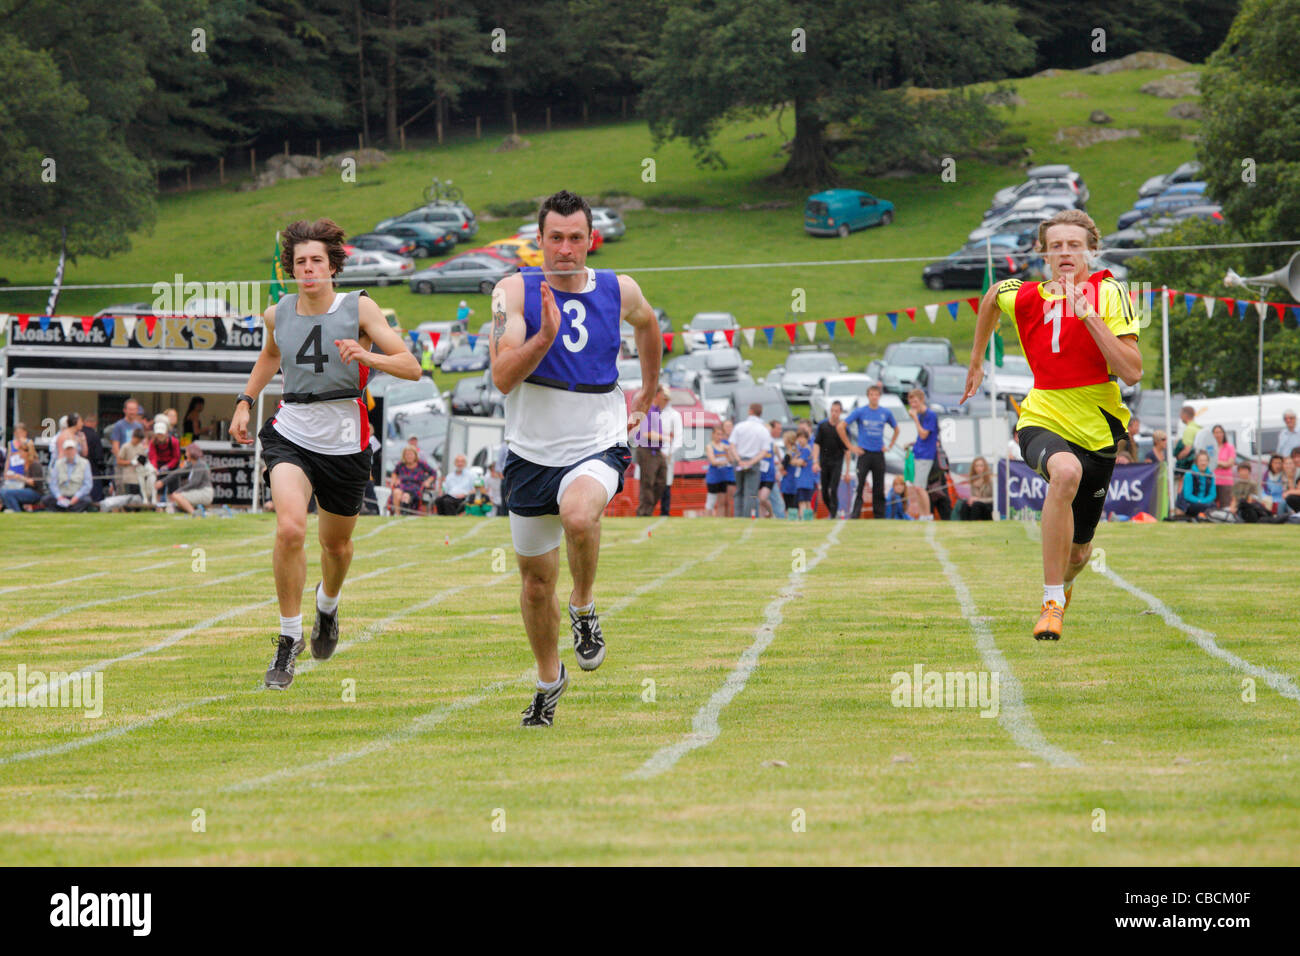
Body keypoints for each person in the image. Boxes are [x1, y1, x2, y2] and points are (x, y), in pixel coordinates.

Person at [490, 189, 658, 727]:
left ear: (591, 240)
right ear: (538, 241)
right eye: (555, 238)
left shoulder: (619, 288)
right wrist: (543, 337)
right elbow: (501, 377)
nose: (566, 249)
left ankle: (583, 607)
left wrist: (648, 392)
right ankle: (547, 679)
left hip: (597, 439)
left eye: (576, 238)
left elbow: (649, 325)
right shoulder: (512, 292)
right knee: (536, 585)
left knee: (580, 515)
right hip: (530, 454)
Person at [230, 216, 421, 689]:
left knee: (335, 545)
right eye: (300, 262)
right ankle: (288, 638)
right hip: (291, 428)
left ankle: (328, 605)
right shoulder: (279, 313)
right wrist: (245, 401)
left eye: (317, 260)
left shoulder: (359, 307)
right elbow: (271, 356)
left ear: (332, 265)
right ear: (291, 269)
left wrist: (367, 355)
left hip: (344, 437)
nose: (309, 268)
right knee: (291, 527)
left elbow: (411, 366)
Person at [962, 208, 1142, 641]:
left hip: (1098, 428)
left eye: (1074, 245)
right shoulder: (1026, 295)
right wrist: (977, 361)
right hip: (1041, 417)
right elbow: (991, 297)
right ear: (1043, 251)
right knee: (1065, 472)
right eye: (1056, 245)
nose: (1065, 252)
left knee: (1081, 553)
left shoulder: (1110, 292)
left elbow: (1132, 372)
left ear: (1091, 250)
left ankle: (1064, 584)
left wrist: (1088, 316)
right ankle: (1050, 602)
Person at [844, 383, 898, 519]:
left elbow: (896, 429)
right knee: (860, 485)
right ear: (868, 396)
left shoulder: (885, 412)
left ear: (879, 396)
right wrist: (851, 447)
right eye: (871, 394)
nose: (874, 397)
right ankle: (855, 514)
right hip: (864, 453)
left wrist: (889, 446)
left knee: (878, 486)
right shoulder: (861, 411)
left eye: (876, 394)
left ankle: (879, 515)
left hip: (878, 454)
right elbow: (841, 426)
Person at [632, 388, 669, 516]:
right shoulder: (648, 410)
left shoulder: (657, 412)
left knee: (662, 481)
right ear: (657, 395)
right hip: (646, 450)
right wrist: (665, 438)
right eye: (665, 398)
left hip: (656, 451)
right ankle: (644, 512)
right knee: (648, 483)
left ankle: (648, 509)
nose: (667, 402)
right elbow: (646, 433)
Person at [812, 401, 851, 518]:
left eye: (837, 411)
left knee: (833, 489)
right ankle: (833, 511)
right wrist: (815, 461)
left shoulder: (843, 428)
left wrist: (847, 471)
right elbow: (816, 444)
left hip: (837, 462)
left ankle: (833, 515)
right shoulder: (823, 426)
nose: (834, 414)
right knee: (824, 492)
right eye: (832, 411)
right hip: (824, 462)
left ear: (840, 413)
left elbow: (847, 450)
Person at [731, 402, 770, 518]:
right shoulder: (763, 430)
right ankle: (748, 516)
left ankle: (737, 516)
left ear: (750, 411)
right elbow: (764, 451)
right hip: (754, 462)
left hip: (739, 460)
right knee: (751, 493)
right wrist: (751, 462)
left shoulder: (739, 426)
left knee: (739, 491)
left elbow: (732, 444)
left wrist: (739, 460)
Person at [40, 439, 94, 512]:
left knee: (87, 500)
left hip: (76, 496)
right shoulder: (58, 463)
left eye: (71, 449)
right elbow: (53, 483)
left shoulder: (85, 463)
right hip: (62, 495)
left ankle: (67, 510)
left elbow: (87, 485)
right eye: (67, 450)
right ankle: (69, 509)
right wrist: (59, 497)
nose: (69, 452)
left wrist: (76, 497)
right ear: (64, 451)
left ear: (75, 450)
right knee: (46, 499)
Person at [905, 390, 939, 493]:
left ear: (922, 400)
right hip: (918, 453)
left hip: (926, 455)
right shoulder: (920, 415)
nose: (913, 405)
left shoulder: (930, 415)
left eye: (915, 402)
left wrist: (915, 418)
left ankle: (925, 510)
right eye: (911, 403)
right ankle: (921, 510)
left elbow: (924, 435)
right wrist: (912, 444)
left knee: (920, 488)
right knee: (917, 487)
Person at [388, 445, 437, 514]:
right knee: (396, 492)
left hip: (416, 487)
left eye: (411, 454)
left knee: (405, 497)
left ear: (415, 455)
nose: (409, 456)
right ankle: (398, 514)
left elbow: (433, 473)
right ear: (404, 456)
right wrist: (394, 480)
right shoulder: (401, 464)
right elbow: (394, 473)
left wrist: (428, 481)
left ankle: (406, 512)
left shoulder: (421, 464)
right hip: (402, 486)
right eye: (407, 454)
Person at [657, 388, 683, 516]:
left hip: (666, 453)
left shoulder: (674, 415)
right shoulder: (652, 412)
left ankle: (664, 511)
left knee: (666, 483)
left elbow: (678, 437)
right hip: (652, 452)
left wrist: (670, 452)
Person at [168, 443, 214, 516]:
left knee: (177, 496)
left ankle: (194, 513)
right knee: (177, 498)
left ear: (192, 452)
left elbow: (194, 483)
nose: (185, 455)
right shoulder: (193, 464)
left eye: (186, 452)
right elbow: (178, 473)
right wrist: (163, 481)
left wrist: (178, 491)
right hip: (200, 491)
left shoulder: (200, 464)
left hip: (205, 492)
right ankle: (201, 512)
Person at [2, 434, 43, 513]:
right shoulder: (24, 464)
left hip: (35, 492)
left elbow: (35, 483)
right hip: (25, 489)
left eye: (20, 451)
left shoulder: (35, 464)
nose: (19, 453)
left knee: (7, 493)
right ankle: (16, 510)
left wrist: (19, 477)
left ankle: (17, 512)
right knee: (3, 491)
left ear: (27, 452)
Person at [148, 420, 182, 509]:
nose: (160, 436)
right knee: (158, 490)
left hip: (172, 466)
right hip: (159, 466)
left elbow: (176, 457)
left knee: (173, 491)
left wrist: (168, 466)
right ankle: (158, 509)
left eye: (161, 434)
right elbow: (153, 457)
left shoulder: (174, 442)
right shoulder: (152, 443)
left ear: (166, 433)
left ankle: (172, 509)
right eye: (158, 434)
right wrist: (154, 468)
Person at [117, 427, 154, 505]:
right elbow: (119, 461)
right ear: (133, 437)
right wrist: (130, 462)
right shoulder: (125, 446)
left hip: (139, 477)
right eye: (137, 440)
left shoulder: (141, 447)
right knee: (129, 500)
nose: (138, 442)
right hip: (128, 478)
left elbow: (145, 461)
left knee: (139, 499)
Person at [1178, 451, 1216, 519]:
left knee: (1212, 505)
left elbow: (1212, 494)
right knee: (1202, 507)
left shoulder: (1211, 475)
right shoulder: (1189, 474)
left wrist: (1204, 501)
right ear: (1197, 462)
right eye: (1201, 460)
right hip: (1191, 503)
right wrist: (1199, 501)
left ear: (1208, 462)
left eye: (1205, 460)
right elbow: (1187, 495)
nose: (1203, 463)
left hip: (1205, 503)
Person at [704, 425, 732, 517]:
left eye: (721, 435)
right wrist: (725, 461)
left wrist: (729, 453)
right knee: (710, 502)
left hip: (723, 478)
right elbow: (713, 462)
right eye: (717, 434)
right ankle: (706, 521)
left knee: (722, 502)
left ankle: (720, 520)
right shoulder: (710, 446)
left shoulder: (724, 446)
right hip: (713, 478)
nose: (719, 437)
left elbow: (731, 459)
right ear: (713, 434)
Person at [759, 420, 783, 518]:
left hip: (770, 476)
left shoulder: (773, 445)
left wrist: (779, 470)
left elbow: (781, 460)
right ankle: (761, 520)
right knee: (759, 501)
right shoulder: (758, 445)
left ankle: (772, 514)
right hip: (759, 476)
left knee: (763, 499)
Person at [793, 429, 818, 519]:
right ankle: (808, 518)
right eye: (799, 437)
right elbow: (793, 461)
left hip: (805, 480)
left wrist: (796, 461)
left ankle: (802, 518)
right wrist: (796, 461)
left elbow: (799, 462)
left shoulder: (806, 449)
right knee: (807, 501)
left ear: (807, 439)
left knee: (803, 501)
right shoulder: (800, 449)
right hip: (803, 480)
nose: (800, 440)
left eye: (803, 437)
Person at [1209, 424, 1235, 508]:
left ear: (1223, 434)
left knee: (1225, 505)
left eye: (1220, 432)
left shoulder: (1229, 447)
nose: (1218, 435)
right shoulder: (1209, 448)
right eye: (1216, 432)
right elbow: (1208, 463)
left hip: (1225, 482)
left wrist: (1216, 463)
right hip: (1212, 480)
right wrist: (1222, 464)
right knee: (1211, 505)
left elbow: (1229, 463)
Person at [1172, 405, 1201, 477]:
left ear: (1185, 415)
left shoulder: (1189, 429)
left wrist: (1178, 457)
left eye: (1181, 414)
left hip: (1190, 467)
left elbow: (1187, 449)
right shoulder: (1198, 428)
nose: (1180, 416)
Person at [966, 456, 995, 520]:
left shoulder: (991, 480)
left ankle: (973, 525)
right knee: (964, 504)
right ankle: (964, 526)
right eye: (976, 466)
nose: (979, 468)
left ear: (985, 467)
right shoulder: (973, 481)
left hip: (988, 505)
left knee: (977, 505)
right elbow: (974, 496)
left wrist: (978, 500)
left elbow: (994, 498)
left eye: (981, 466)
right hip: (977, 504)